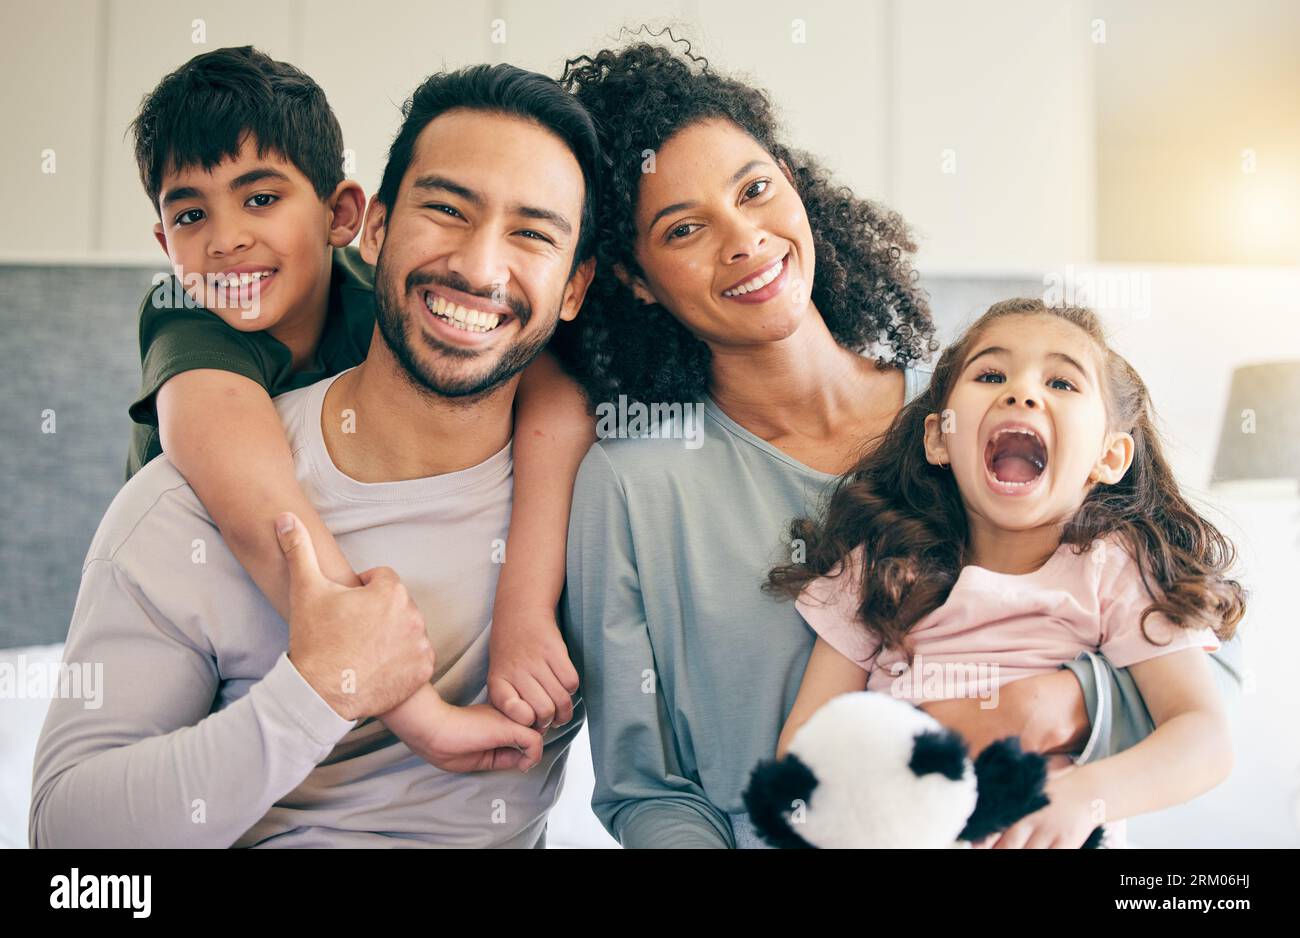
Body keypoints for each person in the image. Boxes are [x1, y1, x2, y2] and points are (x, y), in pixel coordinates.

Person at [557, 38, 1244, 849]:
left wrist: (1068, 701)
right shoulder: (632, 485)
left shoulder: (977, 403)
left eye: (755, 188)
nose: (743, 239)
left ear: (794, 183)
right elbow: (648, 792)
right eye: (681, 230)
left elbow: (1215, 675)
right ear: (634, 277)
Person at [30, 62, 597, 847]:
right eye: (445, 210)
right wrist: (360, 691)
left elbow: (557, 392)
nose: (228, 242)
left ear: (343, 216)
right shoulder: (194, 380)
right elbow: (69, 848)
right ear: (379, 227)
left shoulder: (606, 492)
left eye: (262, 199)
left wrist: (526, 606)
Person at [772, 298, 1241, 848]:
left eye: (1063, 383)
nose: (1021, 393)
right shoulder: (878, 564)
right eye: (991, 374)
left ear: (1110, 458)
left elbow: (1203, 739)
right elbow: (802, 753)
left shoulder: (1116, 569)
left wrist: (1086, 795)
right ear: (939, 438)